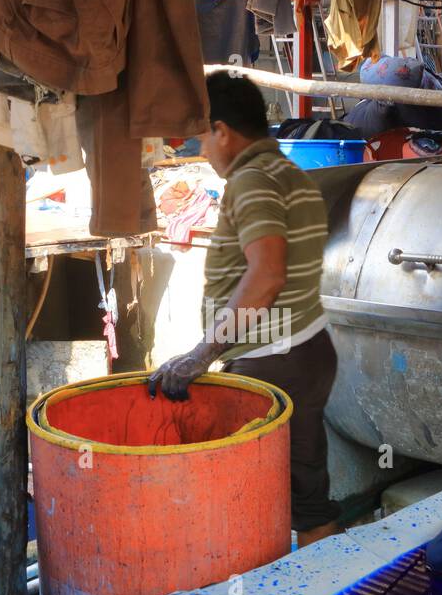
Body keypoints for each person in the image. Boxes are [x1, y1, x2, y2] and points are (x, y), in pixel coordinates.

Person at [147, 72, 342, 547]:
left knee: (265, 501)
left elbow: (267, 276)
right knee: (305, 495)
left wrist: (202, 353)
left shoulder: (250, 179)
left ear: (222, 131)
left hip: (276, 361)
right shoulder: (290, 173)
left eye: (201, 137)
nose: (202, 150)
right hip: (308, 348)